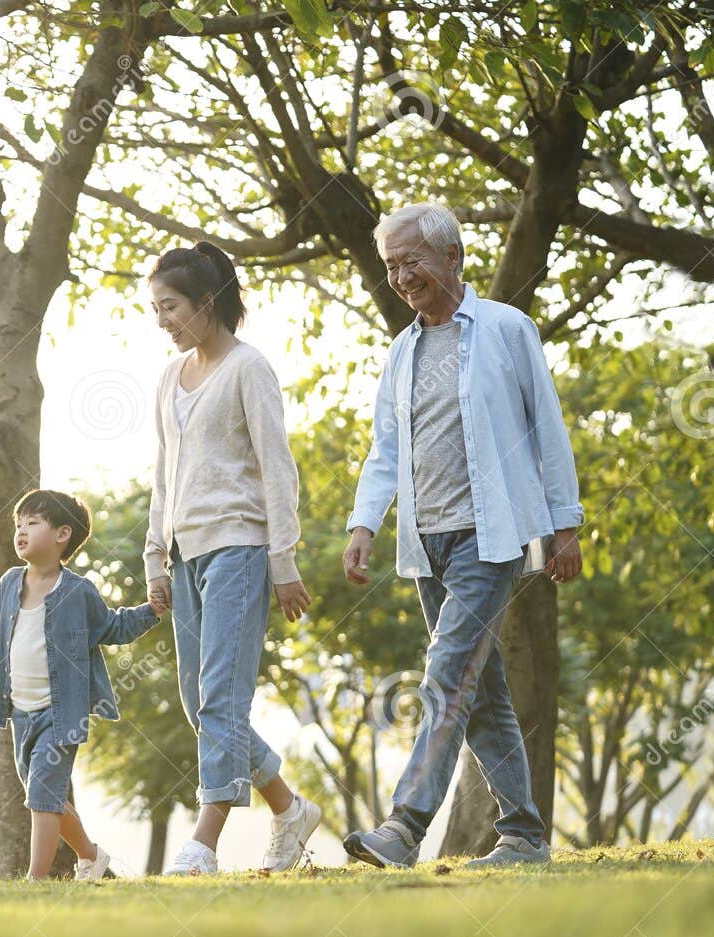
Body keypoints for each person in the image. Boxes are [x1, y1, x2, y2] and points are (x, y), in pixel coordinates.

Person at [341, 202, 584, 869]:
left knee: (446, 676)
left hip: (490, 536)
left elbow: (548, 428)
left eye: (411, 260)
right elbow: (385, 449)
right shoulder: (403, 349)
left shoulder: (508, 329)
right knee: (482, 696)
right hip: (427, 545)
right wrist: (366, 522)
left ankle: (403, 827)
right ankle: (526, 835)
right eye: (391, 265)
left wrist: (566, 523)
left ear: (453, 256)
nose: (401, 276)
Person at [143, 241, 322, 875]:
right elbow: (165, 473)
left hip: (240, 550)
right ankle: (289, 808)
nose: (162, 319)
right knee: (199, 703)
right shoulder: (170, 377)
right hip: (186, 553)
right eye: (156, 308)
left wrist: (283, 561)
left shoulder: (250, 369)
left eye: (170, 307)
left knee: (221, 697)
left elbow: (279, 468)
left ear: (206, 302)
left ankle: (205, 841)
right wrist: (154, 558)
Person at [0, 489, 163, 880]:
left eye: (32, 523)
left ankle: (36, 879)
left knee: (42, 796)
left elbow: (114, 627)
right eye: (18, 524)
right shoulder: (11, 583)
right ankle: (91, 856)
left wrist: (152, 611)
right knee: (45, 795)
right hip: (20, 713)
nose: (21, 531)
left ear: (63, 534)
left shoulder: (78, 592)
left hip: (62, 715)